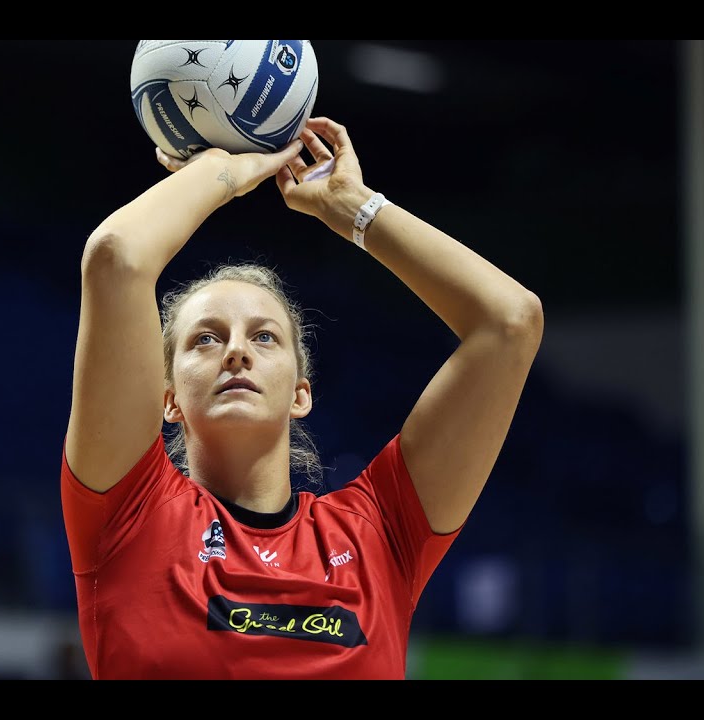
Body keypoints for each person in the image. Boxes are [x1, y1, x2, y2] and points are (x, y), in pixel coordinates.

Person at [59, 115, 544, 680]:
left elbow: (509, 323)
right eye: (206, 338)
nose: (236, 352)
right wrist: (226, 168)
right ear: (167, 399)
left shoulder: (379, 533)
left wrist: (355, 209)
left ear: (300, 394)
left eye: (264, 337)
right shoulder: (129, 516)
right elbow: (116, 258)